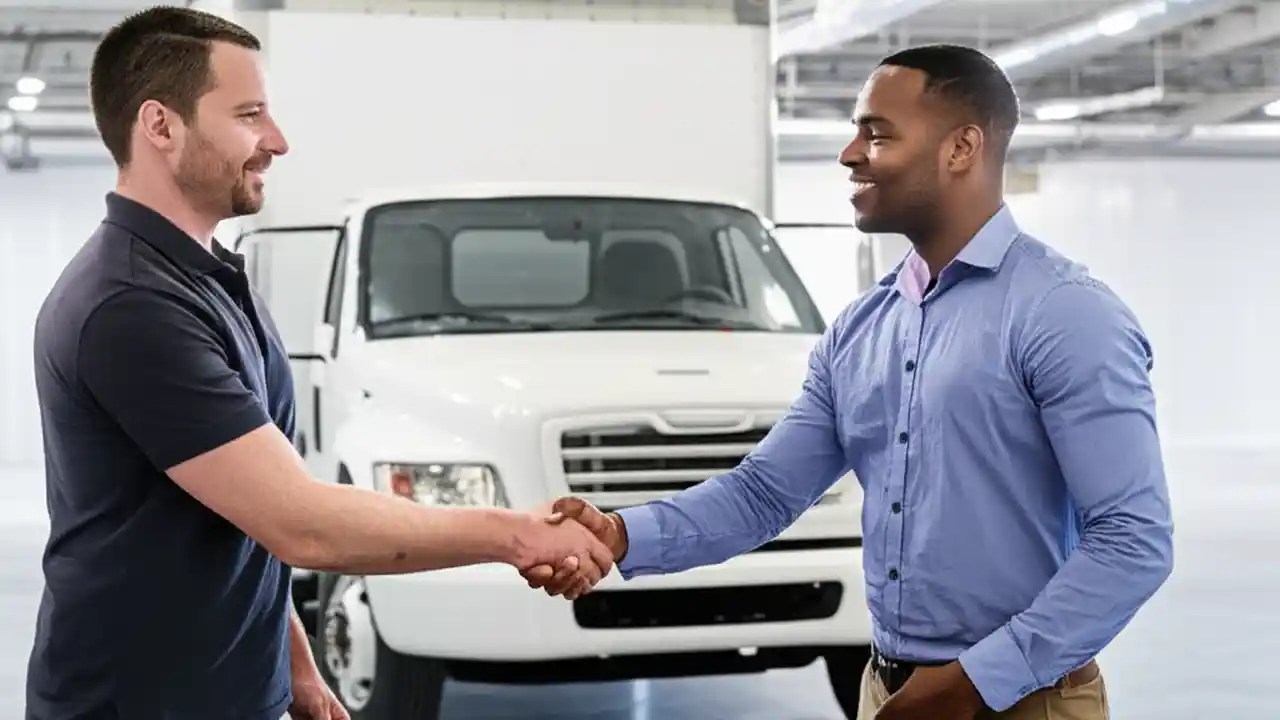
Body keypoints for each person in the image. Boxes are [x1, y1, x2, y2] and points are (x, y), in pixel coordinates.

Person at [524, 44, 1174, 720]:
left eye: (877, 134)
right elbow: (763, 493)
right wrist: (621, 534)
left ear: (961, 148)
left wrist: (974, 682)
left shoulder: (1064, 312)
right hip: (887, 691)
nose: (849, 154)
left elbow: (1133, 540)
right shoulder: (861, 328)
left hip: (1021, 702)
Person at [26, 7, 611, 720]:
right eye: (249, 115)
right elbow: (301, 522)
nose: (277, 140)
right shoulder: (130, 305)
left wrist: (294, 666)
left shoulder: (209, 278)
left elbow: (242, 508)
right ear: (160, 125)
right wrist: (514, 534)